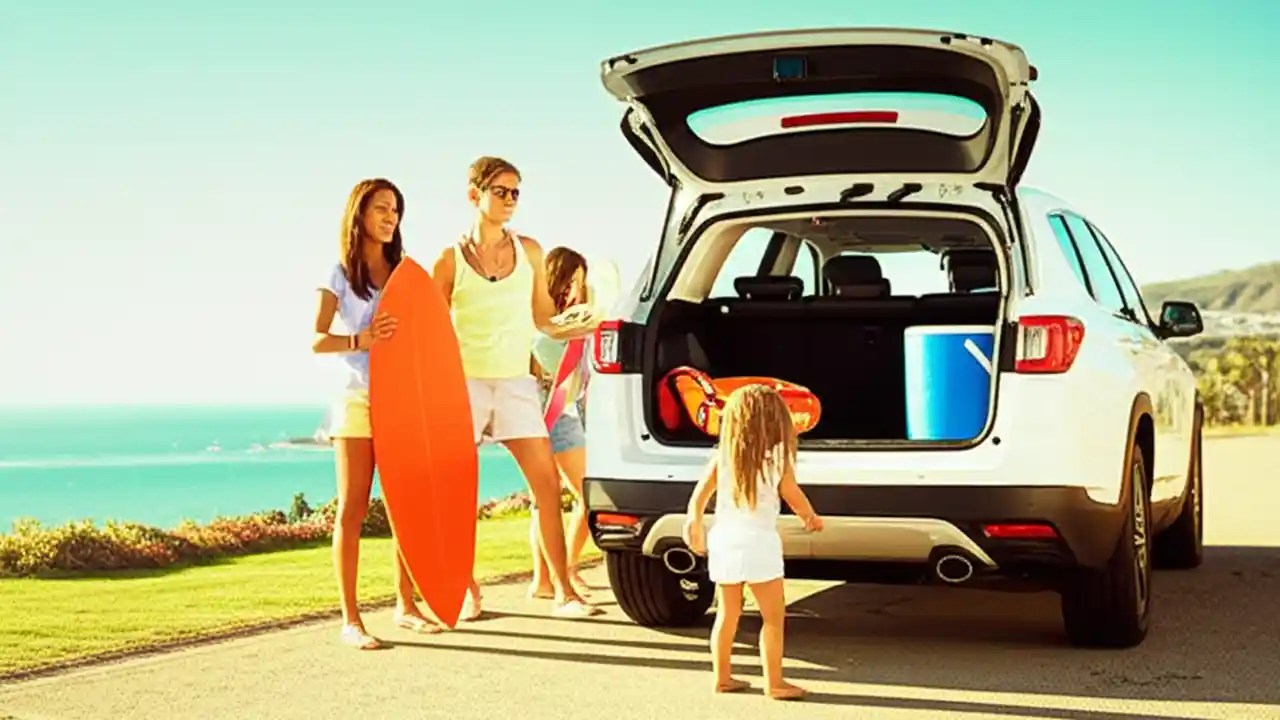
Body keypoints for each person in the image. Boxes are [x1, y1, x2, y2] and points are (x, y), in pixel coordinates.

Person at [431, 156, 599, 619]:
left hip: (516, 385)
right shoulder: (448, 261)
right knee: (459, 495)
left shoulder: (530, 251)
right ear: (474, 195)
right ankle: (466, 590)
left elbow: (542, 318)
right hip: (465, 385)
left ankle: (561, 592)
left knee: (547, 487)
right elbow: (429, 329)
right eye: (501, 191)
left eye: (516, 193)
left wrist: (577, 325)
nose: (510, 201)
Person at [312, 178, 443, 649]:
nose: (390, 218)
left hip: (403, 398)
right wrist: (362, 340)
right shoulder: (340, 274)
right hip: (356, 398)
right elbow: (317, 338)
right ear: (360, 214)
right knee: (352, 508)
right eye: (382, 209)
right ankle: (351, 620)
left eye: (395, 211)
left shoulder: (406, 272)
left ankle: (406, 606)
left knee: (405, 508)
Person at [682, 384, 824, 701]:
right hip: (759, 542)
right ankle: (774, 682)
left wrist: (694, 521)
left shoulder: (723, 457)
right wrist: (809, 516)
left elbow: (698, 497)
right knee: (773, 617)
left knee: (727, 613)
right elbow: (792, 494)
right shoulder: (777, 458)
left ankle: (722, 676)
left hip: (724, 539)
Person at [527, 247, 597, 599]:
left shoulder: (572, 321)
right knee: (589, 494)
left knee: (545, 499)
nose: (574, 291)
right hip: (551, 413)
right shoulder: (546, 326)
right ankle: (564, 572)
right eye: (570, 282)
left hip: (561, 411)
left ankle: (544, 580)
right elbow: (557, 370)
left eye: (580, 284)